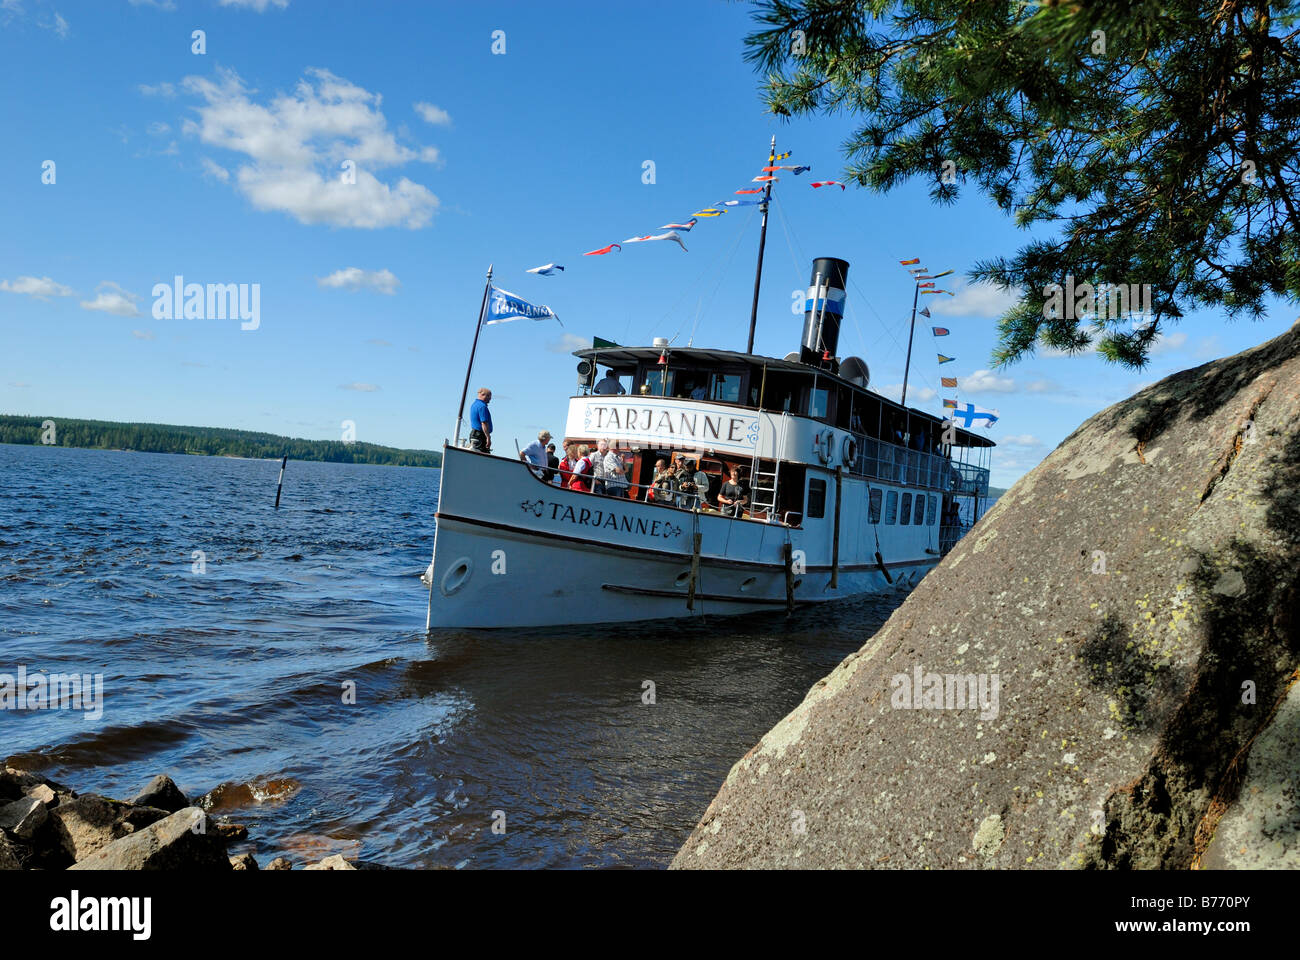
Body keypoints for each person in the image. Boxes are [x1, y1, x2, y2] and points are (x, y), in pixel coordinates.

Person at [468, 387, 493, 452]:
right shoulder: (482, 407)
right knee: (484, 454)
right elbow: (484, 423)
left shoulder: (474, 405)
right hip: (480, 435)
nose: (489, 400)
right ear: (483, 395)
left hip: (474, 434)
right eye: (488, 397)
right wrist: (488, 437)